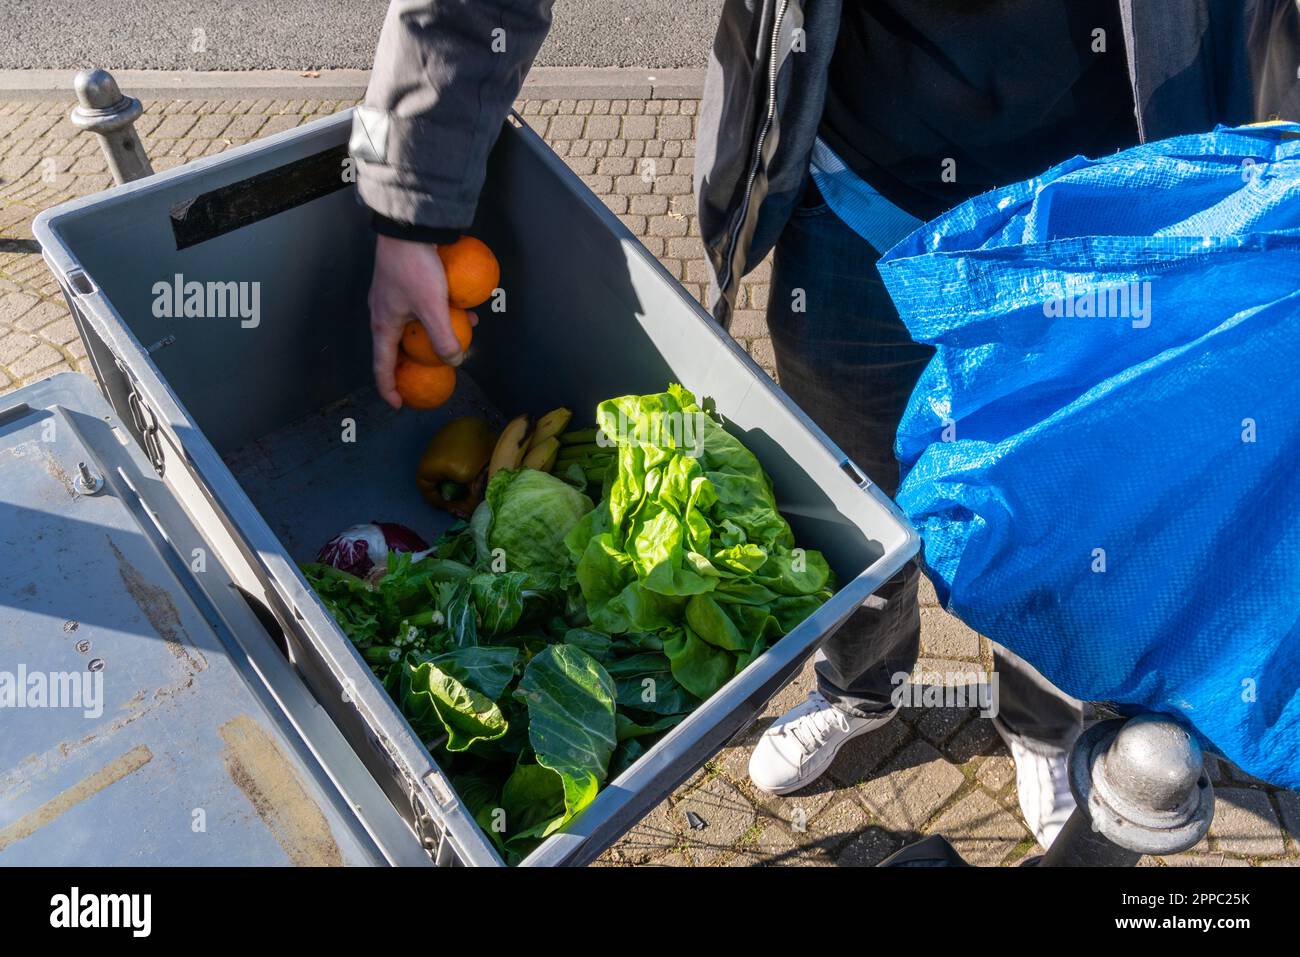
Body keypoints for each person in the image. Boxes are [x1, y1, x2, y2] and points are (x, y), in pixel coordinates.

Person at [352, 0, 1300, 849]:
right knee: (851, 504)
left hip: (1102, 244)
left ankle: (1040, 720)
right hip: (855, 218)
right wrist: (415, 198)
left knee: (1062, 522)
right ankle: (862, 691)